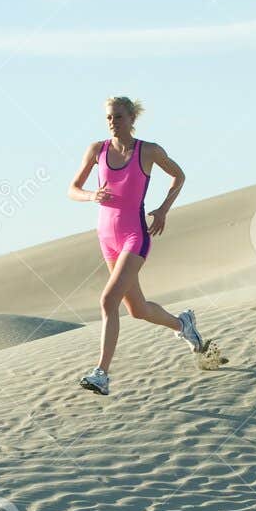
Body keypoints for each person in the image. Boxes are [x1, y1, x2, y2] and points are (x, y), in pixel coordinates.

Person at [66, 96, 207, 395]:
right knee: (138, 310)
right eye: (108, 117)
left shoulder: (149, 151)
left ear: (131, 118)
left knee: (108, 301)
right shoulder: (97, 150)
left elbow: (179, 176)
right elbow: (72, 189)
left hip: (134, 236)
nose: (112, 122)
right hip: (106, 238)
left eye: (118, 117)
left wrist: (164, 209)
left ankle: (102, 374)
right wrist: (91, 195)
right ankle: (183, 325)